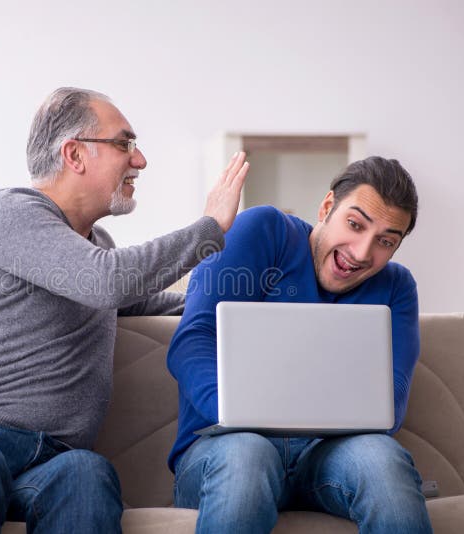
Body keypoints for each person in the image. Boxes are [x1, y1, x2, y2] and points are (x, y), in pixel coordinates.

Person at [0, 87, 249, 534]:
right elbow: (108, 280)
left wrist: (244, 308)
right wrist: (209, 228)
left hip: (48, 463)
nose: (139, 161)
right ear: (75, 154)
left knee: (88, 473)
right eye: (125, 144)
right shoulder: (10, 213)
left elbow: (150, 301)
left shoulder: (97, 249)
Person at [167, 156, 433, 534]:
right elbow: (191, 341)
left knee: (382, 461)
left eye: (385, 242)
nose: (360, 252)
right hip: (229, 447)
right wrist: (240, 415)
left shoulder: (397, 288)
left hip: (326, 457)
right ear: (327, 207)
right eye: (354, 225)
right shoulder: (263, 231)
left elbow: (391, 399)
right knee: (249, 455)